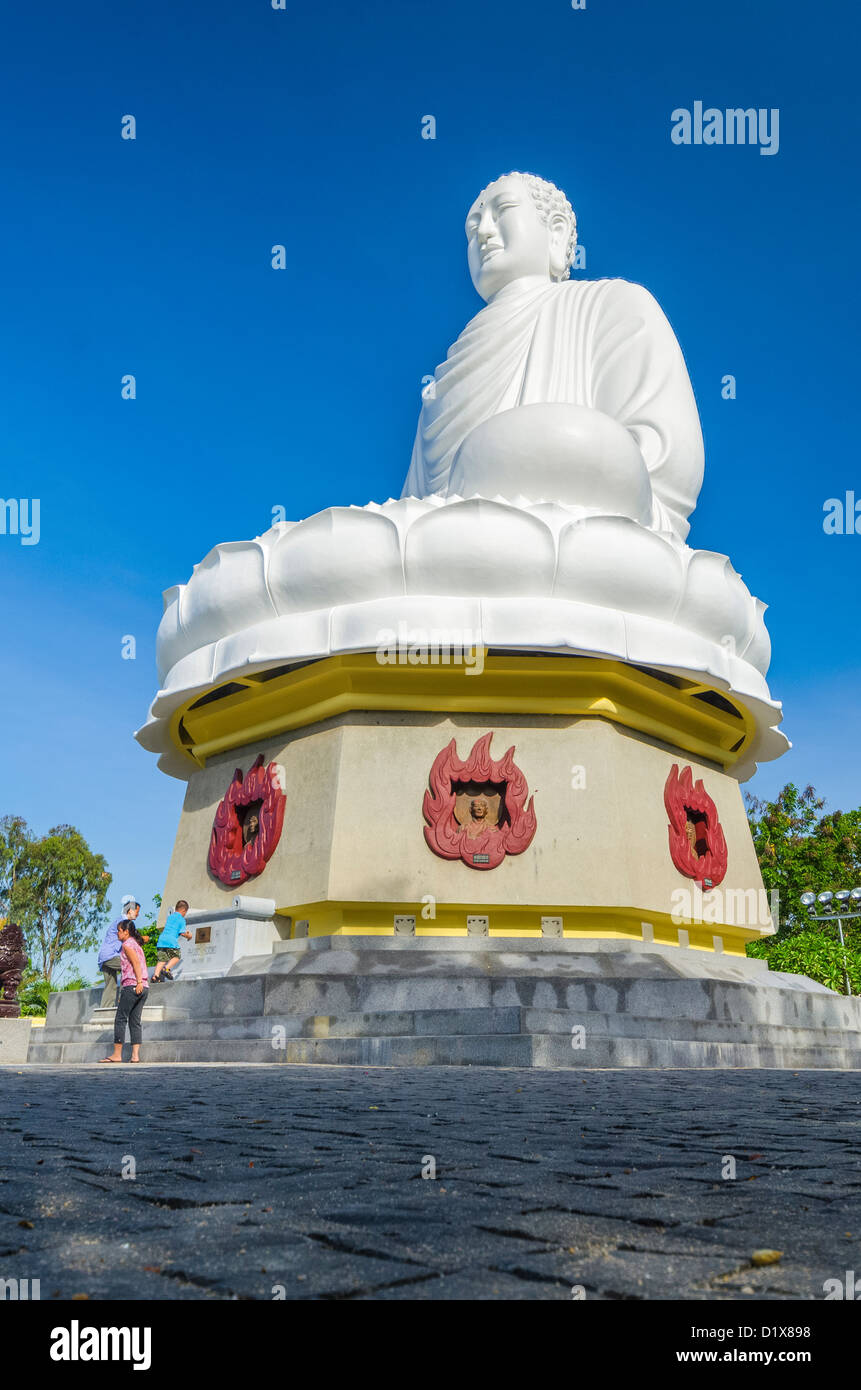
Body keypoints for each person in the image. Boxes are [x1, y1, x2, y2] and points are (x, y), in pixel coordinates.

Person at [99, 919, 148, 1063]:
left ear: (126, 932)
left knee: (120, 1019)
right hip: (144, 987)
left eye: (119, 931)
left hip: (134, 985)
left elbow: (136, 964)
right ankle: (135, 1056)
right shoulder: (137, 944)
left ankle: (117, 1054)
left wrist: (138, 982)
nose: (117, 934)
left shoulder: (127, 945)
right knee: (135, 1021)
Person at [97, 896, 140, 1010]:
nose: (138, 914)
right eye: (137, 911)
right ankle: (124, 999)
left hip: (104, 956)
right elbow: (131, 938)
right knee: (130, 967)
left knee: (110, 985)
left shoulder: (119, 921)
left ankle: (105, 1010)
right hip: (111, 955)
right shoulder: (123, 923)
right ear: (130, 910)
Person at [150, 900, 192, 983]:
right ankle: (166, 969)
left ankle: (155, 976)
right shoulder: (181, 919)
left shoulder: (170, 917)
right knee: (176, 956)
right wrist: (189, 936)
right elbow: (182, 933)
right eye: (185, 913)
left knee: (162, 959)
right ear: (184, 911)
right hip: (171, 941)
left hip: (161, 940)